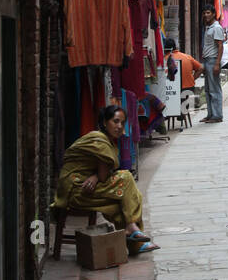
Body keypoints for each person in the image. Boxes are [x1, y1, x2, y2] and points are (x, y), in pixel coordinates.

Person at [52, 105, 159, 254]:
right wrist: (97, 176)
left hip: (85, 186)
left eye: (122, 122)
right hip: (77, 189)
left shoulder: (107, 141)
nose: (119, 126)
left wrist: (96, 176)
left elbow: (101, 174)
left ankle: (135, 244)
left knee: (121, 204)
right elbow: (104, 176)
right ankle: (131, 226)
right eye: (115, 121)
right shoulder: (99, 140)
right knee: (126, 177)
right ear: (104, 122)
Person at [200, 6, 225, 123]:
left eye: (208, 12)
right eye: (204, 13)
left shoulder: (217, 28)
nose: (206, 15)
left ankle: (217, 115)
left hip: (213, 60)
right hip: (207, 60)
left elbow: (220, 46)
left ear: (214, 14)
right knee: (208, 89)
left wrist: (217, 64)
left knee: (215, 89)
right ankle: (210, 114)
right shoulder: (208, 27)